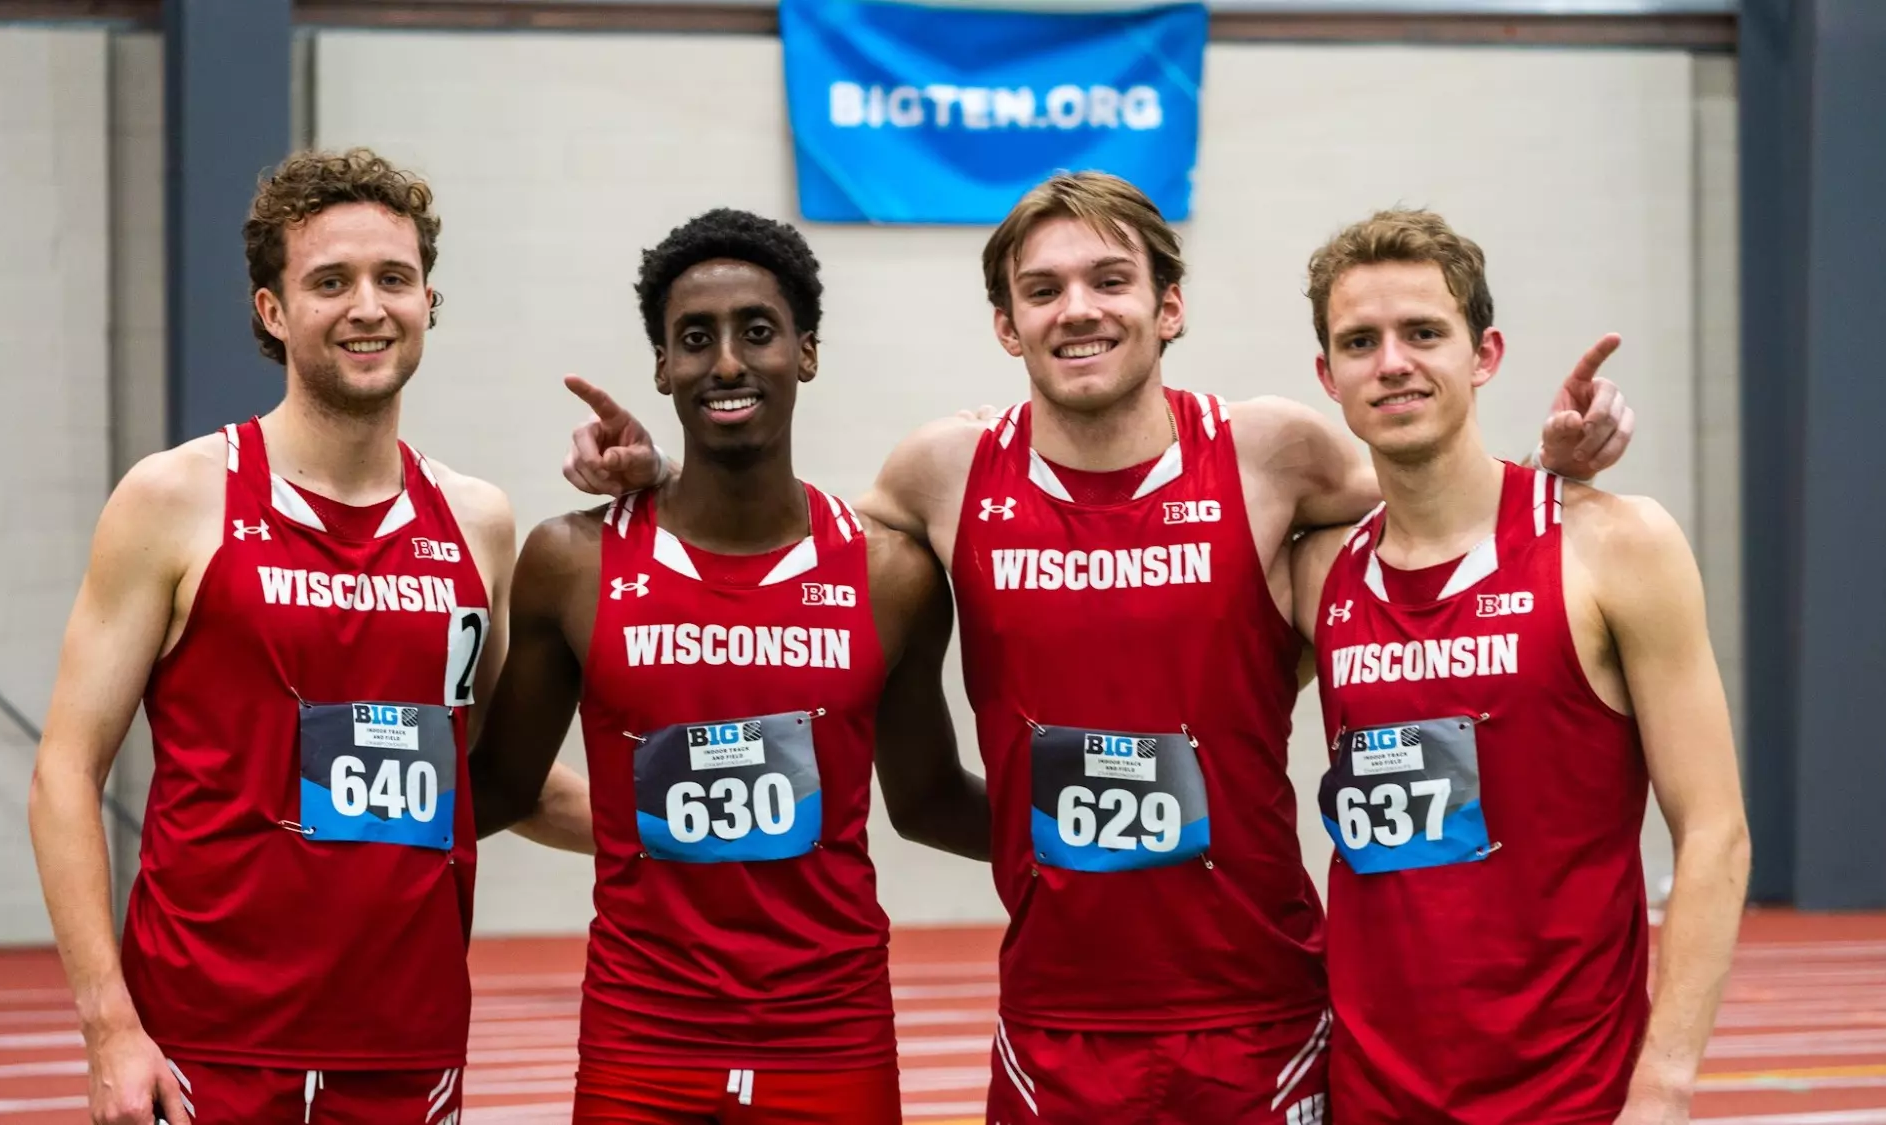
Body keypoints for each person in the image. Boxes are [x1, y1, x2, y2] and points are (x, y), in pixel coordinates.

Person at [559, 172, 1635, 1123]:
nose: (1078, 309)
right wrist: (665, 477)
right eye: (1042, 289)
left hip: (1261, 1011)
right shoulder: (942, 474)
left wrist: (1542, 470)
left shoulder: (1269, 452)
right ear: (1004, 325)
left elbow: (1435, 502)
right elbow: (779, 535)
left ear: (1168, 307)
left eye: (1108, 280)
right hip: (1055, 1027)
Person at [27, 148, 583, 1125]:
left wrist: (693, 825)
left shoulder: (477, 520)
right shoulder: (175, 498)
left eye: (393, 279)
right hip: (204, 1042)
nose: (367, 306)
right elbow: (65, 773)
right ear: (272, 311)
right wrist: (109, 1027)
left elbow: (498, 774)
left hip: (407, 1045)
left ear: (427, 302)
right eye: (330, 282)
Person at [470, 208, 987, 1125]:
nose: (728, 363)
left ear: (807, 351)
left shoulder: (891, 574)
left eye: (758, 331)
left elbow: (931, 801)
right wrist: (303, 832)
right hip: (643, 1038)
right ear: (663, 368)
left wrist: (1112, 837)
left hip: (831, 1033)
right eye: (695, 339)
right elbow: (499, 787)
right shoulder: (570, 563)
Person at [1292, 208, 1749, 1124]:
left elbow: (1713, 830)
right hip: (1371, 1092)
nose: (1392, 361)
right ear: (1328, 375)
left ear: (1484, 353)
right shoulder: (1318, 572)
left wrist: (1664, 1083)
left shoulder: (1616, 545)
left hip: (1574, 1093)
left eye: (1424, 332)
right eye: (1360, 341)